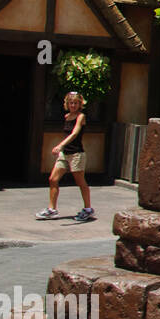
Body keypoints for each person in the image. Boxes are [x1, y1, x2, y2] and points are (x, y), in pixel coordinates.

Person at [37, 91, 94, 221]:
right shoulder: (67, 116)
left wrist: (60, 146)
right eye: (71, 103)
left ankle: (88, 209)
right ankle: (52, 209)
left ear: (80, 104)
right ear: (67, 104)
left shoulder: (81, 117)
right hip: (65, 153)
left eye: (76, 103)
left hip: (76, 154)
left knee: (80, 181)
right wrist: (62, 148)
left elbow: (74, 134)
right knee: (53, 179)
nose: (73, 105)